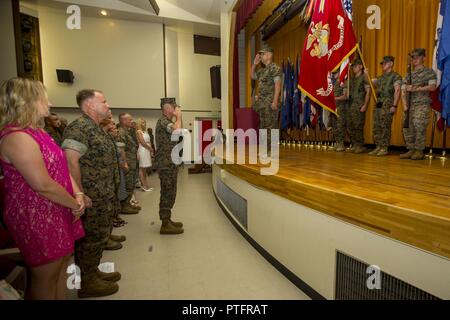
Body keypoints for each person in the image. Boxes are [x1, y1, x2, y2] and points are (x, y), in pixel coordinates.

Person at [0, 78, 85, 300]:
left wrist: (78, 193)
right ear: (27, 101)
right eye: (44, 97)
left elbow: (62, 166)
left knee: (59, 270)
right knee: (45, 278)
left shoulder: (39, 132)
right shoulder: (16, 137)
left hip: (58, 207)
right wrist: (74, 203)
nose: (50, 101)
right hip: (37, 214)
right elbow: (42, 185)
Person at [62, 89, 121, 298]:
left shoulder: (95, 128)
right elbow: (70, 162)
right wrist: (80, 194)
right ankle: (87, 283)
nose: (107, 105)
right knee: (91, 239)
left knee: (98, 237)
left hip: (102, 195)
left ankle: (92, 271)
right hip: (90, 197)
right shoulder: (79, 128)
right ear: (90, 105)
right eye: (103, 101)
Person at [400, 48, 438, 160]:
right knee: (407, 127)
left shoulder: (429, 72)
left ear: (424, 58)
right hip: (409, 105)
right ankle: (411, 149)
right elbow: (403, 89)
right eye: (413, 57)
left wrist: (416, 89)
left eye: (417, 57)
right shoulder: (408, 75)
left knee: (419, 126)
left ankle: (419, 150)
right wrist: (404, 105)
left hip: (422, 104)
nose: (414, 59)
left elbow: (432, 87)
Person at [155, 98, 184, 235]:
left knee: (171, 192)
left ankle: (168, 219)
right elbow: (177, 131)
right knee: (167, 192)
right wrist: (178, 117)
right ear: (167, 108)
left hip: (170, 163)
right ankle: (165, 224)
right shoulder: (163, 122)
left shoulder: (169, 122)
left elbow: (180, 132)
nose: (176, 108)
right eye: (173, 107)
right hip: (166, 164)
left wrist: (178, 118)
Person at [99, 117, 127, 249]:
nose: (112, 123)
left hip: (110, 178)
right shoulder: (95, 133)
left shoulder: (106, 136)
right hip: (99, 182)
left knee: (110, 207)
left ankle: (108, 234)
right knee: (102, 212)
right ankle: (104, 238)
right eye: (110, 121)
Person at [367, 56, 402, 157]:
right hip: (378, 103)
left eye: (385, 63)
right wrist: (366, 74)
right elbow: (369, 82)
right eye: (382, 63)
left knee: (385, 126)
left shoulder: (395, 76)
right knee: (377, 126)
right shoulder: (380, 77)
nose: (383, 65)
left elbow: (397, 91)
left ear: (391, 64)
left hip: (387, 103)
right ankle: (378, 146)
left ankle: (384, 148)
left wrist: (394, 105)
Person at [251, 45, 282, 157]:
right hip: (263, 104)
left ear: (269, 55)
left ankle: (272, 151)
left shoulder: (275, 68)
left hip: (270, 103)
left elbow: (278, 85)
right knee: (263, 127)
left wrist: (274, 101)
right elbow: (252, 75)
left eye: (263, 54)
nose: (261, 56)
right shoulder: (262, 70)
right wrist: (254, 64)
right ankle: (265, 150)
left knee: (271, 127)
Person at [117, 113, 141, 214]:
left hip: (132, 162)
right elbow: (121, 150)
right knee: (127, 184)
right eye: (130, 120)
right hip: (127, 164)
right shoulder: (121, 132)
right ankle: (124, 206)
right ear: (123, 121)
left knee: (131, 184)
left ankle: (128, 203)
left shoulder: (127, 132)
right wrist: (125, 163)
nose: (132, 121)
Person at [347, 59, 371, 154]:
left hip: (359, 105)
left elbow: (368, 92)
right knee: (350, 125)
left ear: (361, 66)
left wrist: (365, 105)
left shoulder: (364, 77)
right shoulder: (352, 79)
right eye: (353, 66)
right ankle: (355, 144)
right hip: (351, 105)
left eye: (355, 66)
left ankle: (360, 145)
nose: (353, 68)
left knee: (358, 126)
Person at [331, 72, 349, 152]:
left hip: (341, 108)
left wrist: (335, 98)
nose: (334, 74)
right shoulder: (334, 83)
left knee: (340, 126)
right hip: (334, 108)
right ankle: (337, 142)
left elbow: (346, 96)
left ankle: (341, 144)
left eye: (336, 72)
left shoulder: (344, 82)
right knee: (335, 126)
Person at [136, 118, 154, 192]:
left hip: (147, 150)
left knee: (145, 169)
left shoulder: (145, 131)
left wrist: (150, 150)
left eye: (145, 122)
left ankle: (146, 185)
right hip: (143, 150)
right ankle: (144, 186)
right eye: (142, 122)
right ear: (139, 123)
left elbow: (148, 141)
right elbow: (142, 142)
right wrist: (150, 148)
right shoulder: (138, 131)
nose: (144, 124)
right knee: (141, 168)